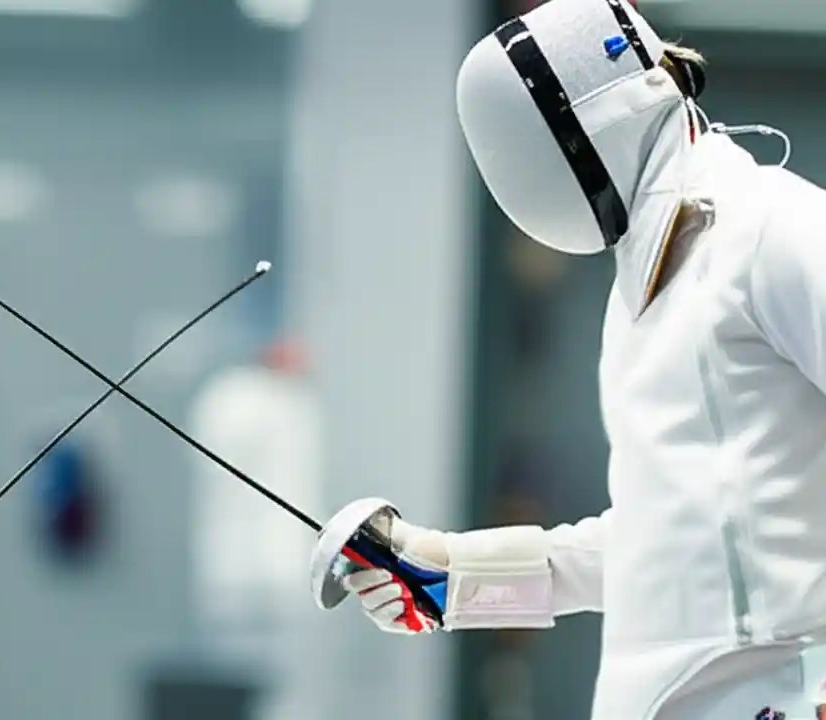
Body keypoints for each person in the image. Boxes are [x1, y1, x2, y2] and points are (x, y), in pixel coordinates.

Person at [310, 0, 826, 718]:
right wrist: (450, 575)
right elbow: (667, 545)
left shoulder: (774, 227)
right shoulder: (647, 292)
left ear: (610, 108)